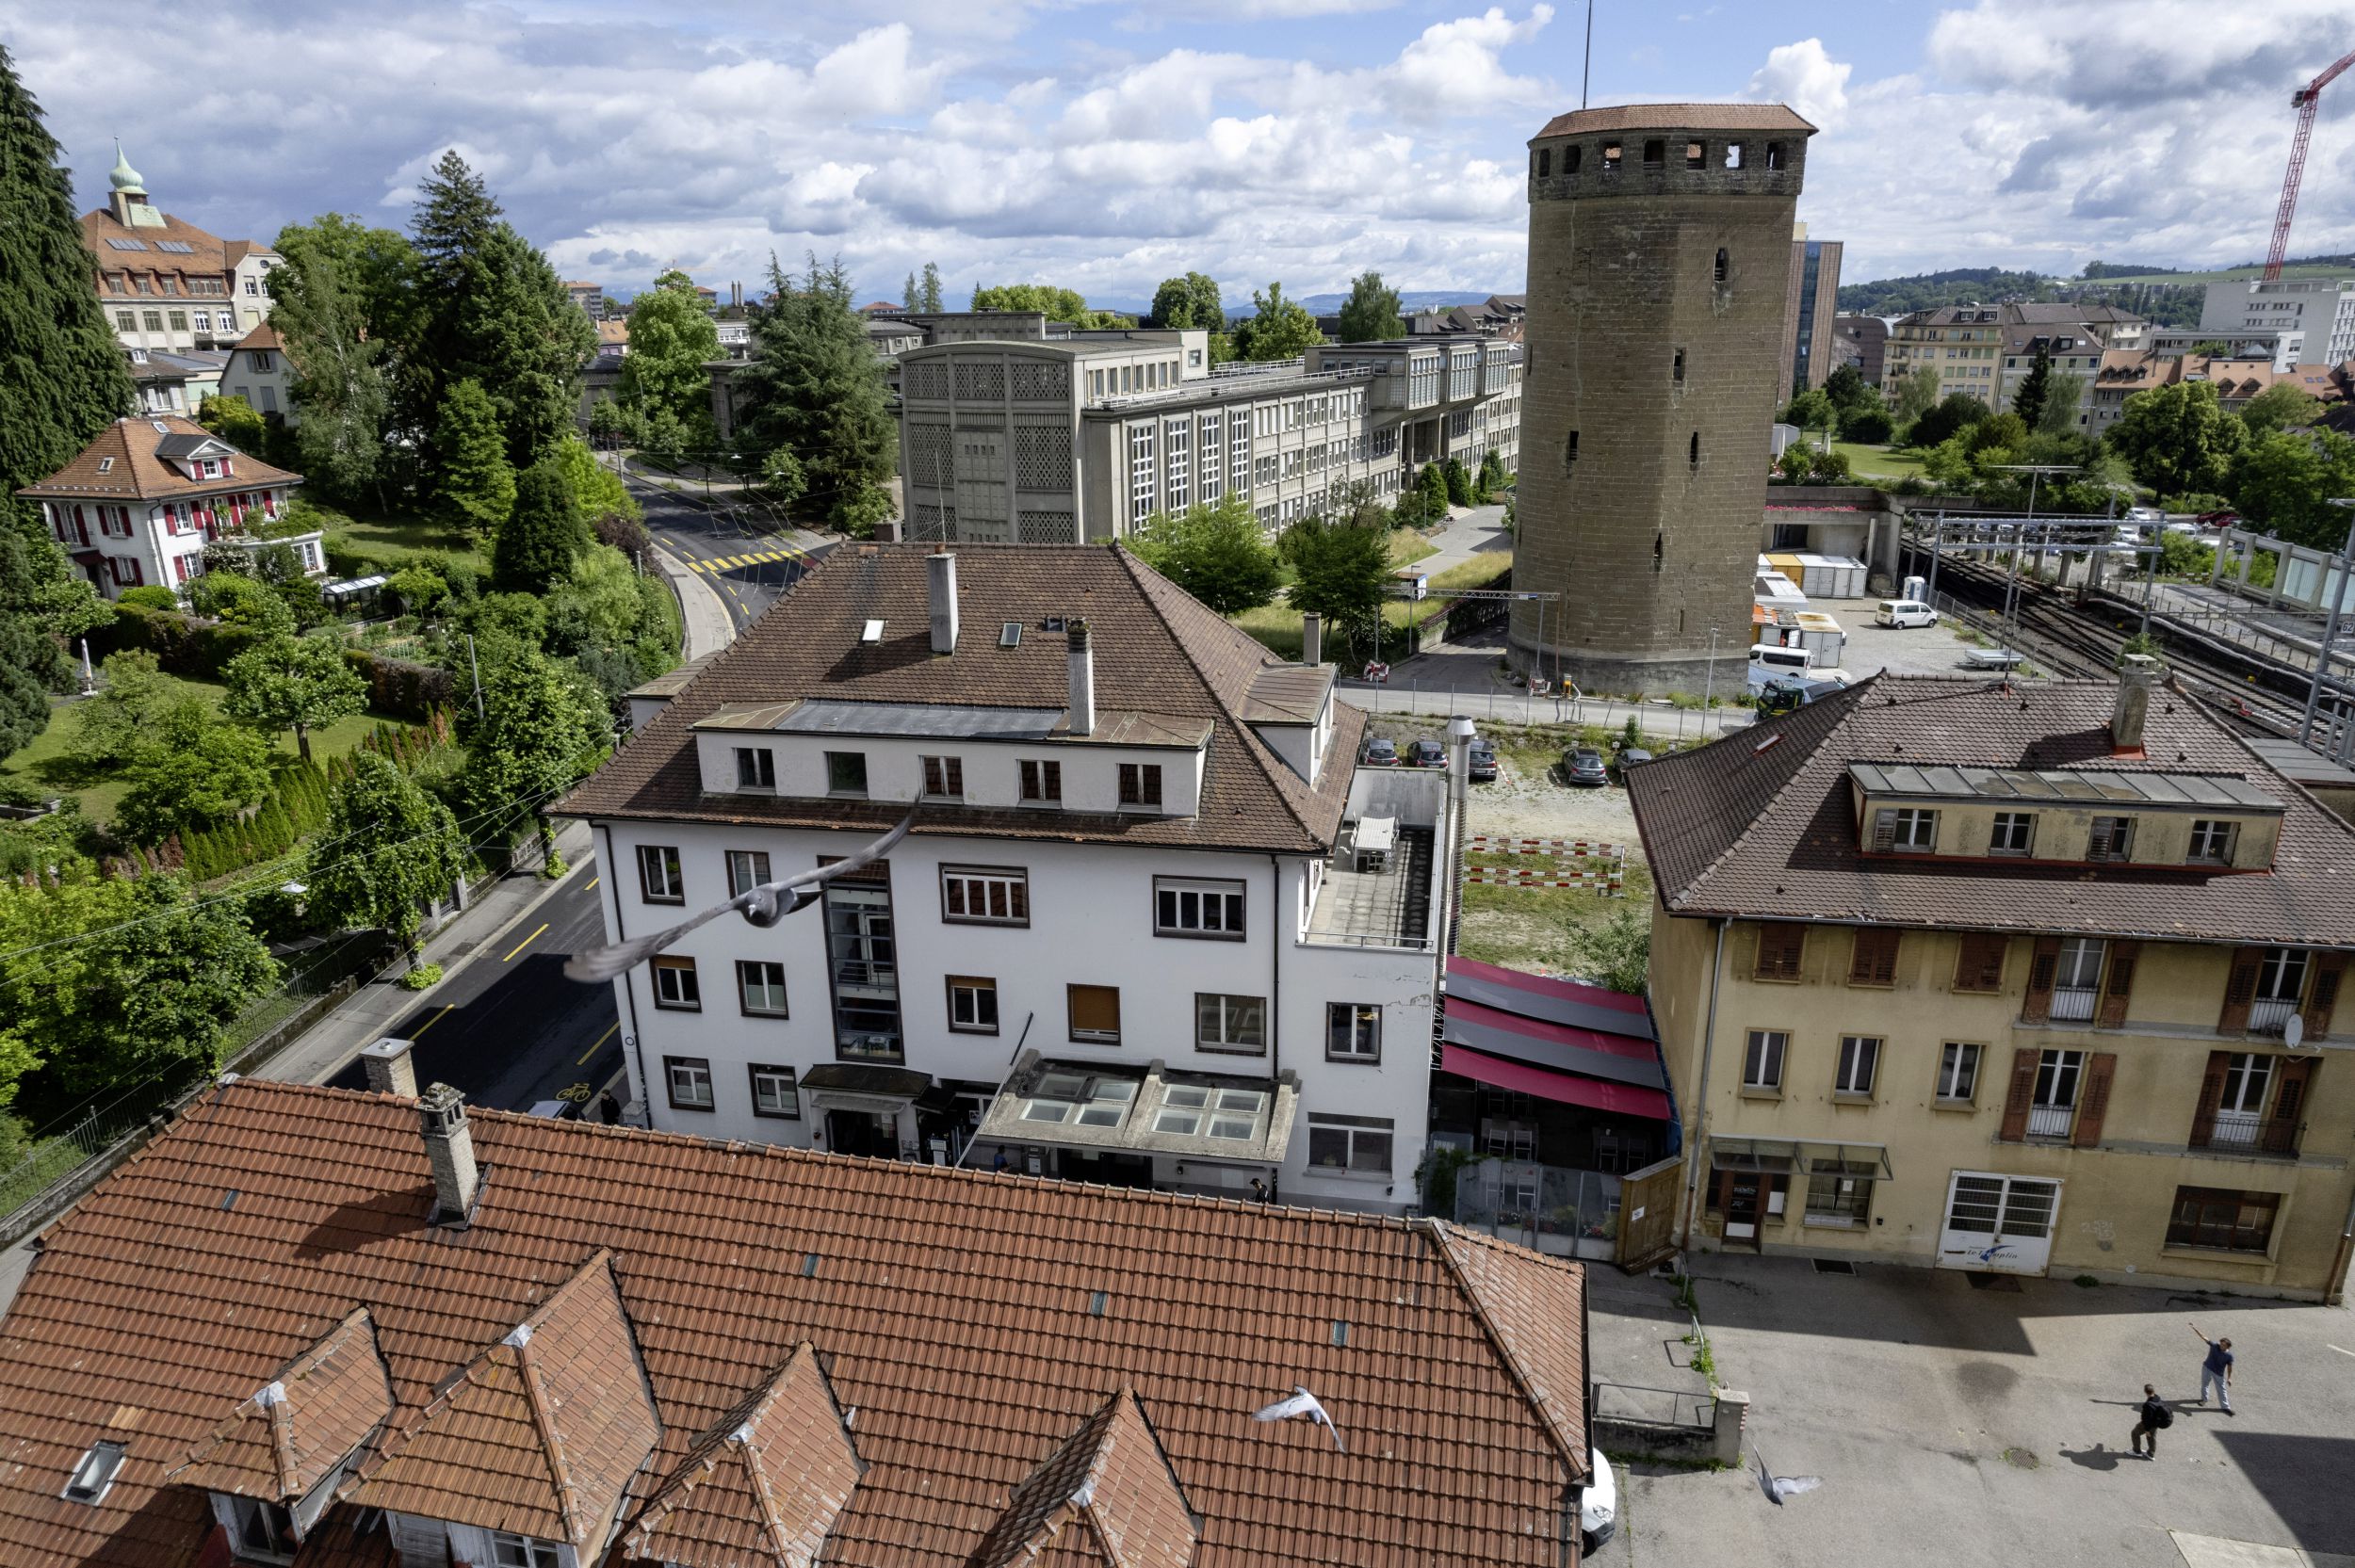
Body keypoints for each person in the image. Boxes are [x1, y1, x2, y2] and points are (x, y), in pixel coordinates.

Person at [2189, 1321, 2233, 1414]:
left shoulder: (2229, 1356)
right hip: (2207, 1368)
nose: (2220, 1345)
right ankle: (2204, 1400)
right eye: (2221, 1343)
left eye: (2223, 1345)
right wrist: (2195, 1329)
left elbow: (2229, 1367)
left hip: (2218, 1373)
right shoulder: (2214, 1346)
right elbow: (2204, 1337)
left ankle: (2226, 1407)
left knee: (2222, 1389)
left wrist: (2229, 1378)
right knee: (2205, 1384)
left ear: (2228, 1347)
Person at [2130, 1383, 2170, 1459]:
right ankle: (2151, 1453)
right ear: (2153, 1391)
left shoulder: (2148, 1405)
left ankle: (2136, 1451)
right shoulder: (2158, 1398)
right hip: (2156, 1423)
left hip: (2149, 1424)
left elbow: (2146, 1419)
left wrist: (2147, 1430)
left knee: (2135, 1433)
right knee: (2151, 1437)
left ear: (2145, 1392)